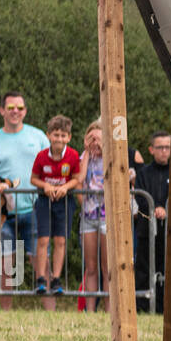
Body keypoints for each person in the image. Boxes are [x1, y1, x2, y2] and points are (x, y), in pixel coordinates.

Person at [0, 91, 48, 309]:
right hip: (2, 212)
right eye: (10, 108)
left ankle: (51, 312)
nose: (15, 112)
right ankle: (5, 313)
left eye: (19, 107)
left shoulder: (38, 137)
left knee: (40, 261)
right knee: (5, 263)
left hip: (35, 208)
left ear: (25, 111)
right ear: (2, 111)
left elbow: (49, 167)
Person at [30, 115, 81, 307]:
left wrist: (66, 187)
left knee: (60, 240)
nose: (59, 139)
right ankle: (41, 278)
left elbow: (76, 178)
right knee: (43, 239)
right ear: (48, 135)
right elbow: (33, 179)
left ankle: (57, 278)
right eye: (55, 135)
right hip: (45, 200)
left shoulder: (73, 155)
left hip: (64, 201)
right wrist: (46, 186)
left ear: (68, 137)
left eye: (63, 135)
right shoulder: (42, 156)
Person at [133, 131, 171, 313]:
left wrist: (166, 208)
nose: (164, 151)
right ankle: (142, 306)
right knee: (143, 268)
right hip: (146, 230)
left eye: (167, 147)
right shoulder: (143, 173)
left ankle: (165, 307)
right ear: (151, 149)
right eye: (160, 147)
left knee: (167, 268)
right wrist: (154, 208)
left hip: (170, 231)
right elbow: (140, 197)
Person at [76, 121, 109, 313]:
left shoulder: (110, 157)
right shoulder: (83, 157)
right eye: (92, 138)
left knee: (107, 268)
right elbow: (79, 180)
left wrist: (104, 149)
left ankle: (108, 310)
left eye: (99, 138)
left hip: (106, 217)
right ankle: (89, 310)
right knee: (90, 267)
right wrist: (88, 153)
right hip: (88, 216)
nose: (95, 142)